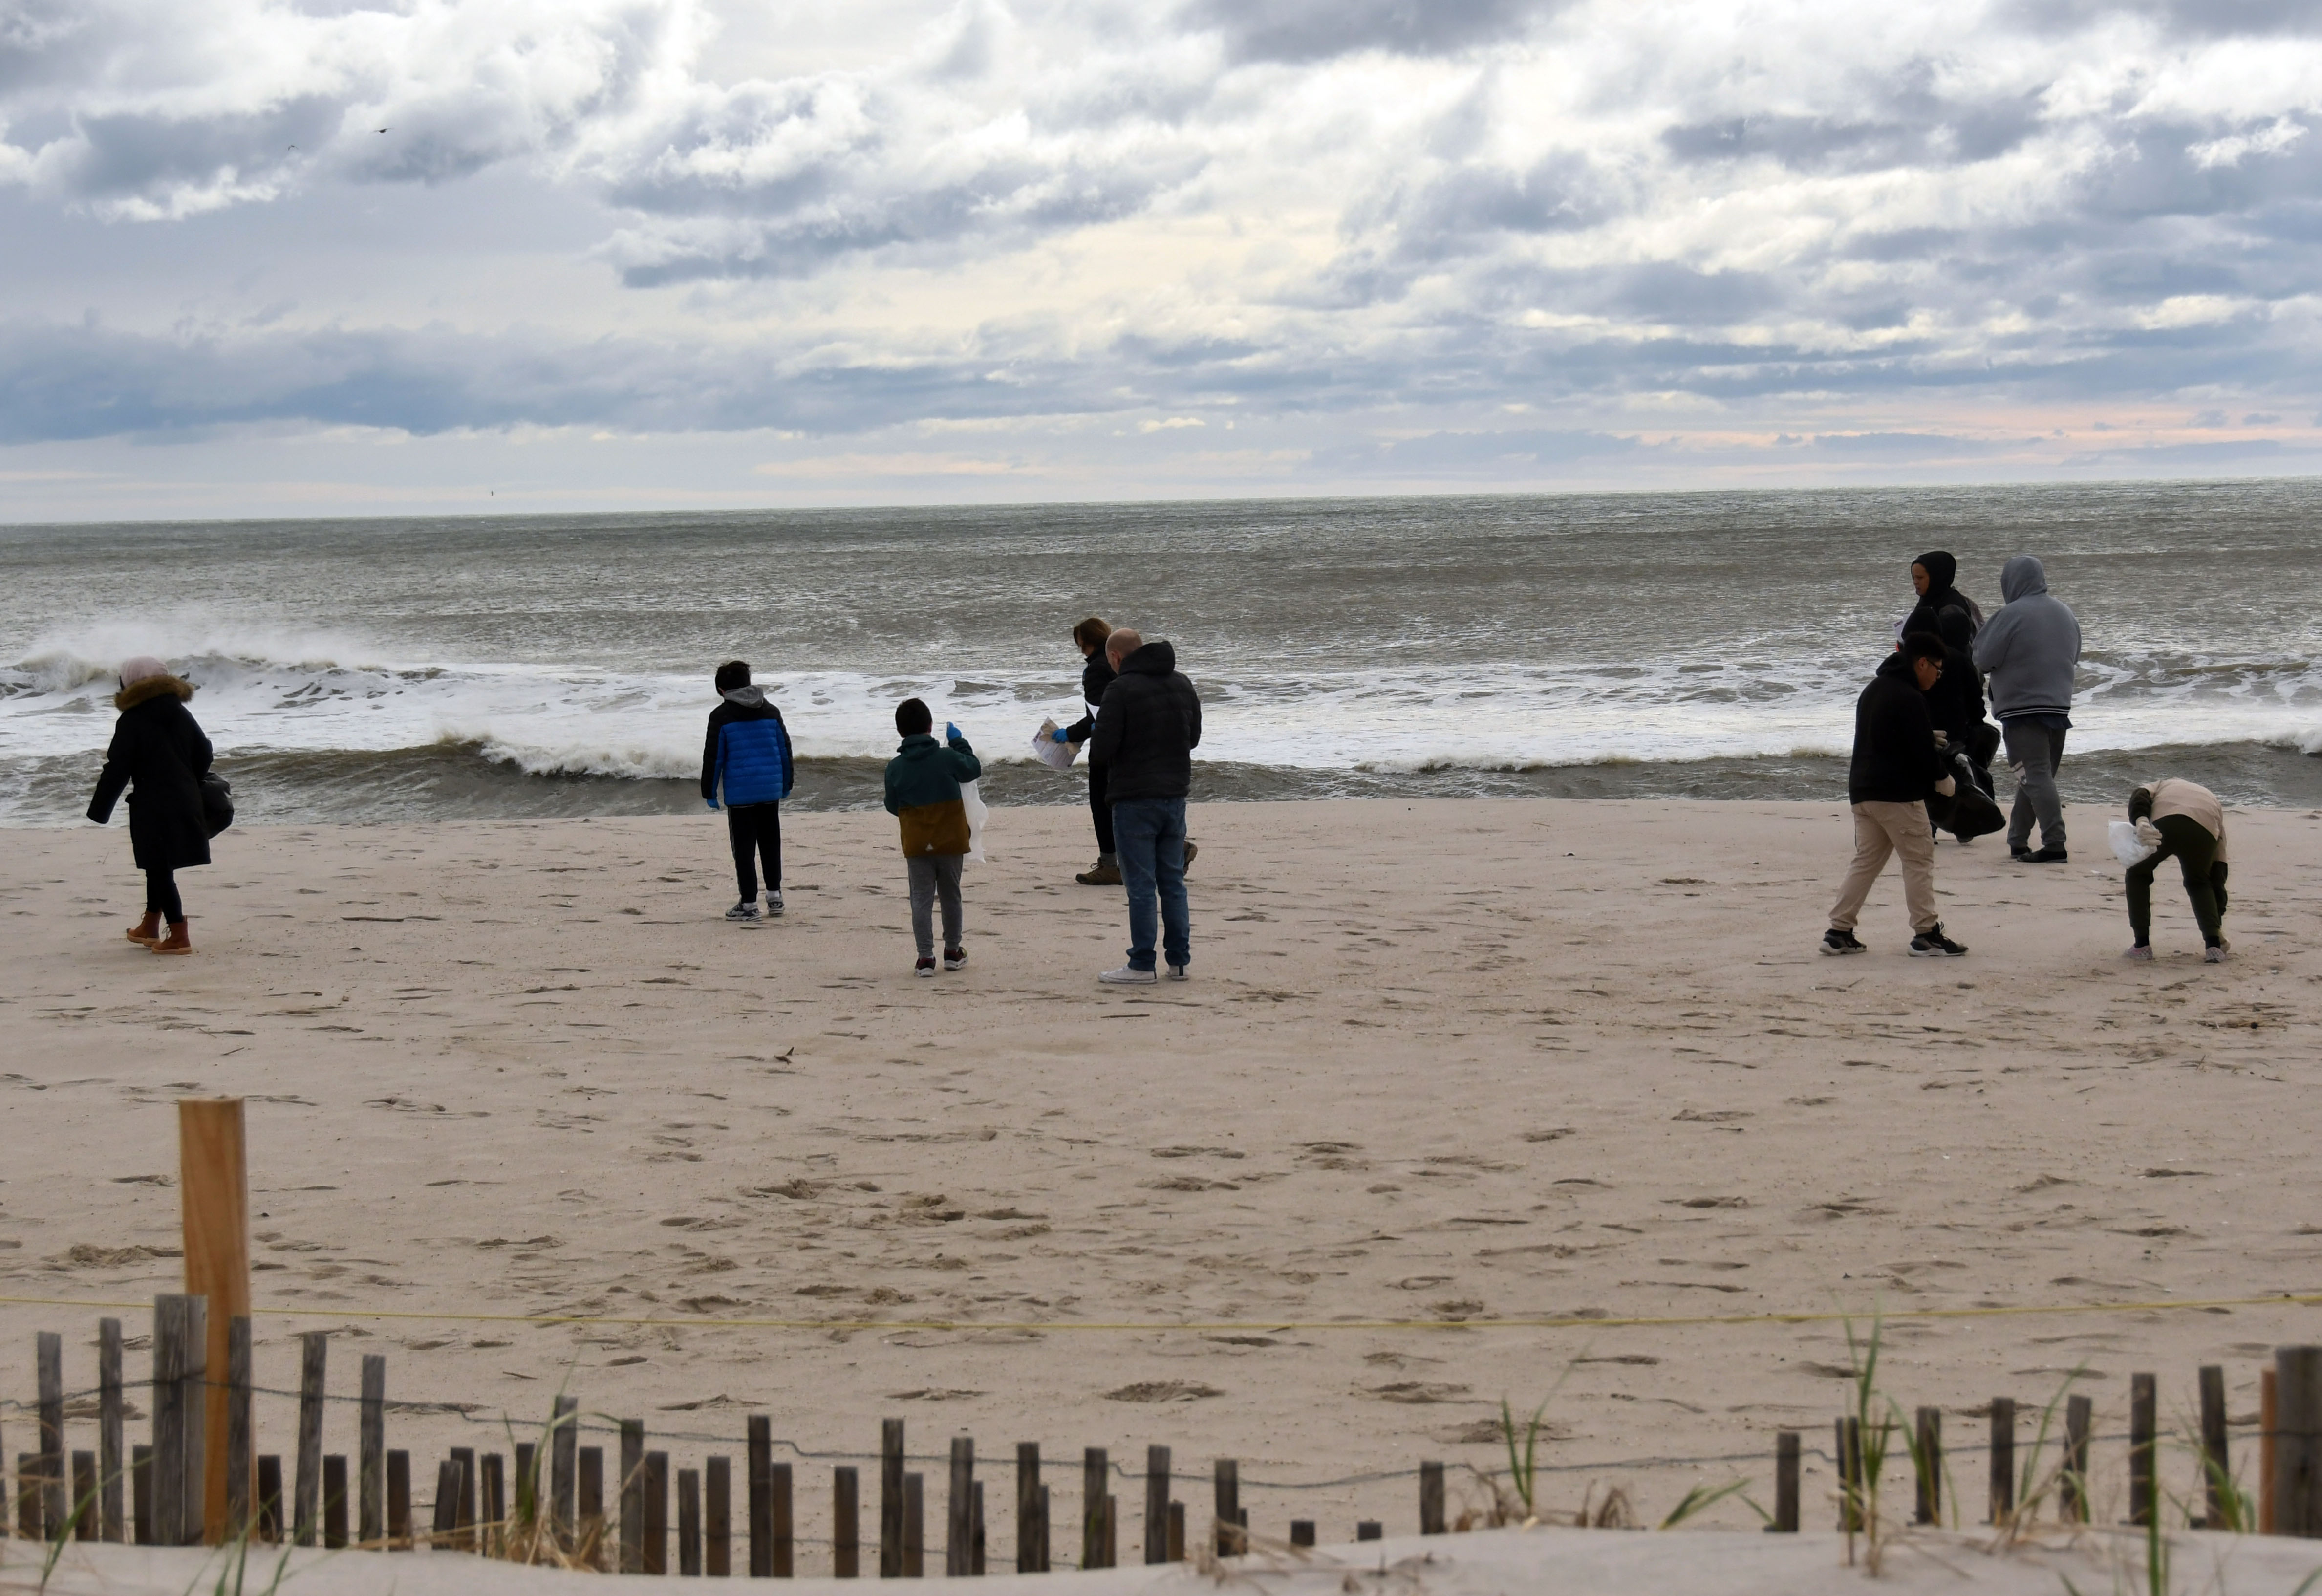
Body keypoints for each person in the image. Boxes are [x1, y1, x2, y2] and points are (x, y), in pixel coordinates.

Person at [1823, 632, 1968, 957]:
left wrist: (1924, 735)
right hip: (1898, 796)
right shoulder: (1909, 696)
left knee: (1866, 862)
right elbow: (1920, 753)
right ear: (1922, 663)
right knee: (1918, 860)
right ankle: (1926, 933)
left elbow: (1886, 736)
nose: (1938, 675)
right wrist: (1943, 779)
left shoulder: (1875, 690)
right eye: (1937, 669)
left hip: (1863, 793)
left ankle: (1839, 931)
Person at [1088, 627, 1201, 984]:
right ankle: (1179, 962)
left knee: (1140, 886)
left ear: (1117, 658)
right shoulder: (1181, 683)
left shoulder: (1119, 689)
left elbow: (1101, 752)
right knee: (1172, 882)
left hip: (1134, 798)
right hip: (1174, 794)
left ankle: (1141, 964)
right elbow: (1193, 738)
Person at [86, 655, 215, 956]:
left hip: (153, 803)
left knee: (157, 867)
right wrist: (190, 782)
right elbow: (204, 752)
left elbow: (118, 767)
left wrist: (99, 810)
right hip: (185, 798)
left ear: (130, 681)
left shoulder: (133, 719)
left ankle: (179, 935)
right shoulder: (181, 713)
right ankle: (149, 925)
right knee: (158, 864)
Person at [1973, 556, 2081, 863]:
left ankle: (2055, 843)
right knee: (2036, 777)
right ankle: (2018, 840)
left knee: (2033, 775)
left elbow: (1982, 658)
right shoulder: (2065, 613)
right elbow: (2075, 655)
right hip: (2059, 707)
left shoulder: (2010, 614)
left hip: (2022, 710)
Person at [882, 698, 981, 976]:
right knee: (951, 895)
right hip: (951, 838)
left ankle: (925, 958)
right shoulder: (947, 757)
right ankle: (952, 950)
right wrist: (959, 742)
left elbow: (892, 805)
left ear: (901, 732)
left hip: (916, 842)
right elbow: (973, 768)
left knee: (921, 900)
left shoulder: (895, 767)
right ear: (930, 726)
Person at [701, 660, 795, 922]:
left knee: (743, 849)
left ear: (722, 690)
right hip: (770, 790)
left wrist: (709, 792)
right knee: (770, 843)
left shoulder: (720, 716)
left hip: (741, 795)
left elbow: (714, 758)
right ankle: (775, 897)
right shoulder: (772, 711)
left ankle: (749, 904)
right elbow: (785, 752)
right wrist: (787, 784)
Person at [2123, 779, 2230, 963]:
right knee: (2200, 882)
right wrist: (2217, 923)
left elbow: (2140, 795)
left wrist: (2141, 821)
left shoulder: (2161, 784)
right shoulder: (2211, 799)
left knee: (2138, 874)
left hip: (2166, 822)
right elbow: (2219, 866)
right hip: (2206, 827)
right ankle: (2213, 946)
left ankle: (2142, 945)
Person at [1050, 617, 1122, 885]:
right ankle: (1174, 850)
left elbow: (1099, 716)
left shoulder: (1095, 669)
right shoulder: (1120, 661)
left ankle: (1110, 865)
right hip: (1131, 745)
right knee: (1132, 802)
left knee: (1101, 805)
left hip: (1106, 748)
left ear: (1085, 642)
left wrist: (1069, 734)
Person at [1898, 550, 1984, 642]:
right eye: (1913, 577)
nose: (1915, 582)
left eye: (1920, 578)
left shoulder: (1953, 608)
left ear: (1936, 578)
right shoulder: (1928, 600)